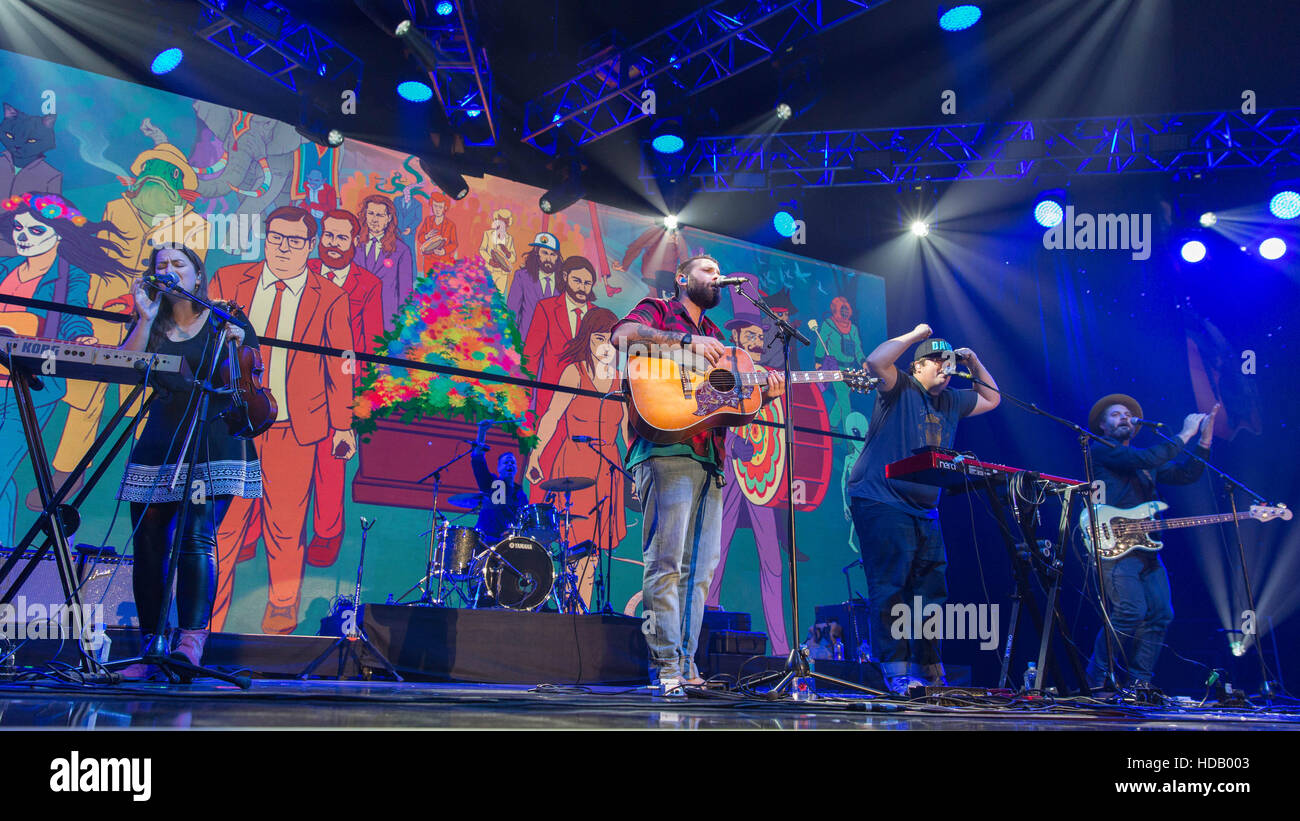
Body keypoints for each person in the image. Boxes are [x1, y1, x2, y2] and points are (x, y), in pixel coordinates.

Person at [611, 254, 786, 694]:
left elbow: (726, 407)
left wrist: (764, 394)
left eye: (718, 272)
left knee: (700, 571)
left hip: (710, 460)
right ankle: (664, 667)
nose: (716, 277)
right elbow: (622, 336)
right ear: (683, 278)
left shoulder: (716, 338)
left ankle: (687, 668)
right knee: (666, 562)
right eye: (708, 270)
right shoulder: (658, 310)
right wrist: (683, 343)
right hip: (665, 448)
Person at [115, 244, 262, 678]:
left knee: (196, 538)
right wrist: (142, 318)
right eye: (160, 266)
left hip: (213, 439)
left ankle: (189, 645)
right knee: (148, 542)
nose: (168, 271)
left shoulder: (224, 319)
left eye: (178, 264)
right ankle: (150, 649)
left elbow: (248, 378)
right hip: (160, 439)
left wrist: (235, 344)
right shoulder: (152, 321)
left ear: (198, 276)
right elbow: (127, 369)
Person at [207, 206, 355, 634]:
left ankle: (281, 618)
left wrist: (342, 423)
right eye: (276, 238)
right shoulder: (230, 281)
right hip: (232, 426)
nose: (284, 247)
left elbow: (342, 362)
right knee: (225, 526)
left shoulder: (330, 296)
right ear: (264, 238)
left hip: (293, 427)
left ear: (310, 246)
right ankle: (204, 624)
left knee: (286, 528)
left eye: (294, 241)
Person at [845, 324, 1001, 695]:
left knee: (930, 591)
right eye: (937, 361)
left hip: (924, 508)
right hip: (881, 499)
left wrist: (974, 362)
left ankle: (928, 670)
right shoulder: (899, 386)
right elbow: (875, 361)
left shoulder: (951, 401)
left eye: (950, 362)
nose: (946, 367)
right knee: (891, 587)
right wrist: (916, 336)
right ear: (917, 367)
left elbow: (992, 399)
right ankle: (897, 672)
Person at [1084, 394, 1216, 691]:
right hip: (1115, 546)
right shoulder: (1102, 450)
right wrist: (1185, 433)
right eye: (1116, 414)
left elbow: (1185, 474)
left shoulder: (1145, 462)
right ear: (1103, 426)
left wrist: (1204, 442)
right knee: (1130, 611)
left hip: (1146, 550)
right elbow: (1146, 458)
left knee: (1160, 613)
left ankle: (1140, 683)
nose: (1125, 417)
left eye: (1129, 414)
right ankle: (1095, 681)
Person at [0, 192, 104, 547]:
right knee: (5, 480)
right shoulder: (2, 268)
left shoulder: (70, 278)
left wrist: (84, 337)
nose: (23, 236)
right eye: (18, 228)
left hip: (28, 390)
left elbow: (73, 316)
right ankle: (4, 556)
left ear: (58, 234)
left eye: (35, 229)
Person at [525, 307, 628, 607]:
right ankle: (573, 614)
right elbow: (551, 417)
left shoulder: (621, 379)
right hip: (575, 464)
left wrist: (634, 471)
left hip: (608, 469)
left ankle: (577, 613)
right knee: (576, 547)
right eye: (599, 338)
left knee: (593, 553)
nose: (605, 346)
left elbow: (626, 430)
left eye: (611, 340)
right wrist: (535, 455)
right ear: (587, 338)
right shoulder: (575, 372)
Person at [469, 420, 528, 544]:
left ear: (517, 469)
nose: (510, 464)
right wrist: (482, 432)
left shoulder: (521, 495)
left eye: (513, 462)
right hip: (484, 541)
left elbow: (524, 522)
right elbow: (478, 461)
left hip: (508, 545)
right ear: (498, 468)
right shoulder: (491, 484)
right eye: (506, 462)